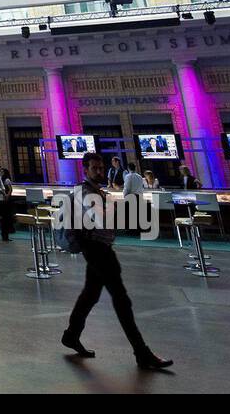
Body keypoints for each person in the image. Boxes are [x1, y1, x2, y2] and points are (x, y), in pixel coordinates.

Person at [61, 152, 173, 370]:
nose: (100, 171)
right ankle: (141, 352)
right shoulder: (85, 192)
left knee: (90, 294)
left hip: (101, 248)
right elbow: (99, 218)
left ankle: (71, 335)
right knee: (121, 299)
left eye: (101, 168)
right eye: (95, 168)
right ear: (86, 169)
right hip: (96, 250)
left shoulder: (96, 192)